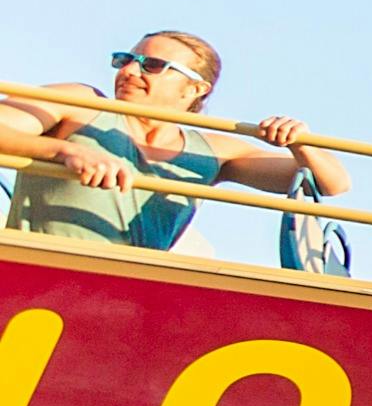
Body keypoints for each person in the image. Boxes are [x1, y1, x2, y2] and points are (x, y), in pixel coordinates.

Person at [1, 33, 353, 251]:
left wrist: (300, 142)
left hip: (123, 298)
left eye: (152, 65)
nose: (128, 71)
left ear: (196, 88)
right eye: (125, 60)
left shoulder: (214, 152)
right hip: (36, 272)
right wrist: (63, 150)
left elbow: (331, 183)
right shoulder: (77, 102)